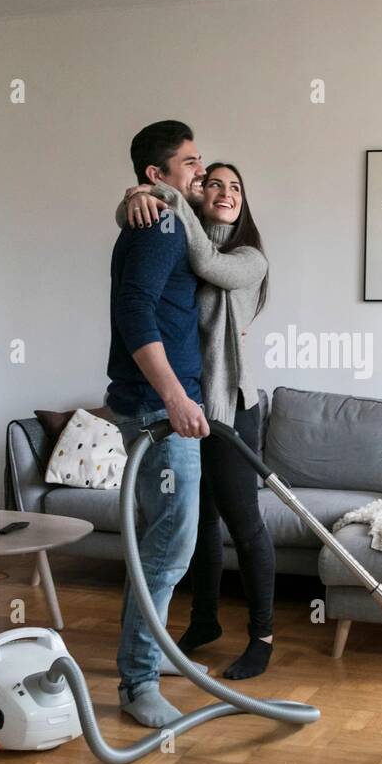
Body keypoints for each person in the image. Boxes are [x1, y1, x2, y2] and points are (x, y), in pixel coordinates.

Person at [120, 161, 275, 679]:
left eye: (236, 186)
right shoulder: (178, 239)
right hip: (187, 403)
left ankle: (263, 637)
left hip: (230, 407)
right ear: (200, 192)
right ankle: (203, 620)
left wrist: (160, 195)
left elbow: (210, 262)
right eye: (214, 183)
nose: (225, 192)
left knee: (244, 524)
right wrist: (133, 201)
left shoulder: (247, 257)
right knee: (199, 521)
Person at [105, 119, 210, 728]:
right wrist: (173, 397)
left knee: (160, 545)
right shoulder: (162, 223)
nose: (200, 169)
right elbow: (134, 311)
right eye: (190, 162)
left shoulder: (166, 219)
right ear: (157, 174)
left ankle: (146, 655)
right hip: (156, 408)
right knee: (170, 546)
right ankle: (139, 681)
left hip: (158, 402)